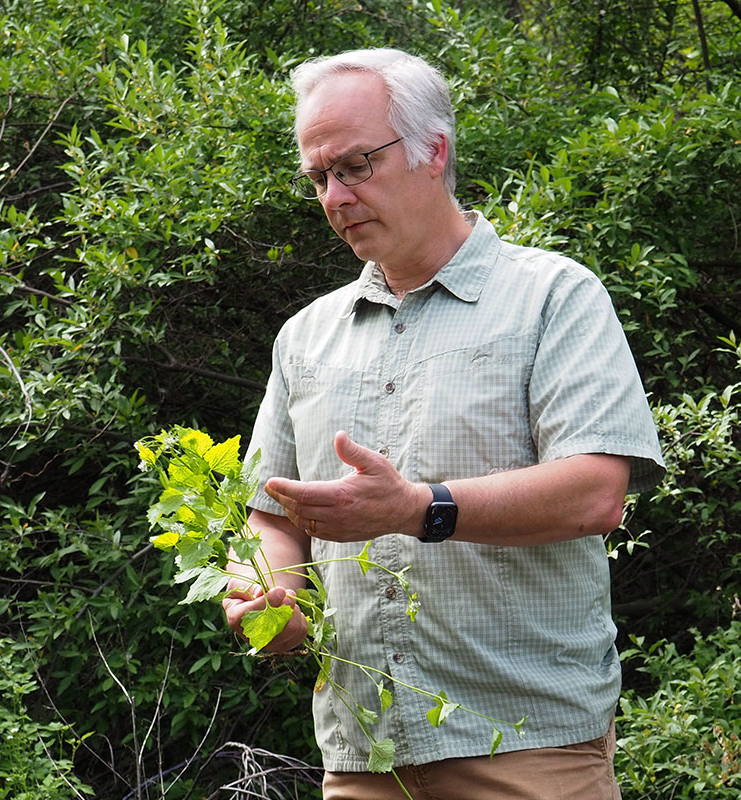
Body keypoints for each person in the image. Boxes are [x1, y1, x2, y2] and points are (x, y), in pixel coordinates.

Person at [222, 48, 665, 800]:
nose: (336, 195)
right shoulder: (304, 336)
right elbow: (271, 517)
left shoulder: (554, 298)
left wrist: (417, 509)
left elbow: (596, 495)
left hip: (531, 751)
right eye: (319, 177)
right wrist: (269, 593)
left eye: (355, 165)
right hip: (365, 758)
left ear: (435, 150)